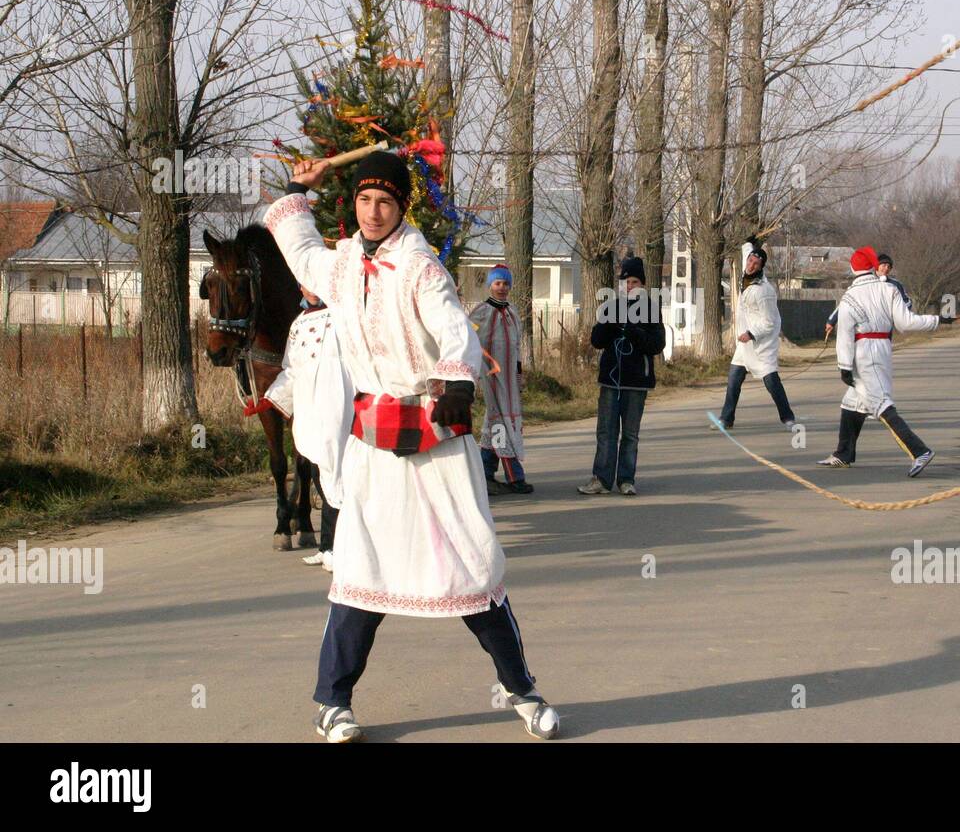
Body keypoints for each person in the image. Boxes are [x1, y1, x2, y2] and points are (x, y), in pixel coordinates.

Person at [264, 151, 559, 742]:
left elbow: (454, 325)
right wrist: (296, 190)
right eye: (365, 201)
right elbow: (298, 250)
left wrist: (454, 376)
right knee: (361, 565)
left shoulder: (420, 265)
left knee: (472, 563)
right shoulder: (342, 265)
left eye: (386, 202)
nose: (374, 213)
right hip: (373, 441)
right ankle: (333, 701)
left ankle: (520, 689)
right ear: (354, 205)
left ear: (402, 207)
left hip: (434, 435)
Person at [818, 246, 954, 476]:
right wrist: (937, 319)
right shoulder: (889, 289)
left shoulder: (850, 298)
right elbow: (907, 322)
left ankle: (919, 450)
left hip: (864, 353)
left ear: (853, 269)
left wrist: (843, 366)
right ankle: (844, 454)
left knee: (881, 404)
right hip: (882, 348)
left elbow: (844, 337)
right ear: (872, 267)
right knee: (852, 403)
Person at [265, 285, 354, 573]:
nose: (312, 289)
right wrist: (274, 395)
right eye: (306, 283)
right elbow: (292, 368)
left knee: (337, 473)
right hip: (310, 408)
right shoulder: (299, 322)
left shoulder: (344, 315)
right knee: (318, 473)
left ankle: (341, 547)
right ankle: (328, 545)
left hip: (340, 404)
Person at [579, 256, 666, 496]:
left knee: (630, 434)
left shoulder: (651, 308)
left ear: (643, 284)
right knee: (606, 431)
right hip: (611, 379)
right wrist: (612, 325)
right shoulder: (610, 307)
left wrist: (635, 332)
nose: (630, 286)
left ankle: (626, 479)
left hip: (637, 382)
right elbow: (596, 340)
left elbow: (658, 344)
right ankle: (601, 480)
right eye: (626, 282)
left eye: (635, 281)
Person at [469, 265, 533, 495]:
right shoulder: (482, 312)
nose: (502, 288)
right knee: (502, 421)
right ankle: (515, 476)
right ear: (490, 285)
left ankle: (484, 474)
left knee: (497, 422)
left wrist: (518, 373)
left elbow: (515, 346)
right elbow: (468, 336)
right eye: (498, 283)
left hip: (510, 379)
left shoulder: (512, 311)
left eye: (506, 284)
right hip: (492, 376)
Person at [719, 241, 797, 430]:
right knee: (734, 379)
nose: (751, 265)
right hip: (744, 344)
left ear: (761, 267)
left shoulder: (764, 291)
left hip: (761, 343)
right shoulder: (745, 274)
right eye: (750, 260)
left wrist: (751, 334)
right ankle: (726, 418)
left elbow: (769, 322)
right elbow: (747, 248)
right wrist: (748, 240)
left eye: (756, 264)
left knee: (771, 381)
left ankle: (787, 417)